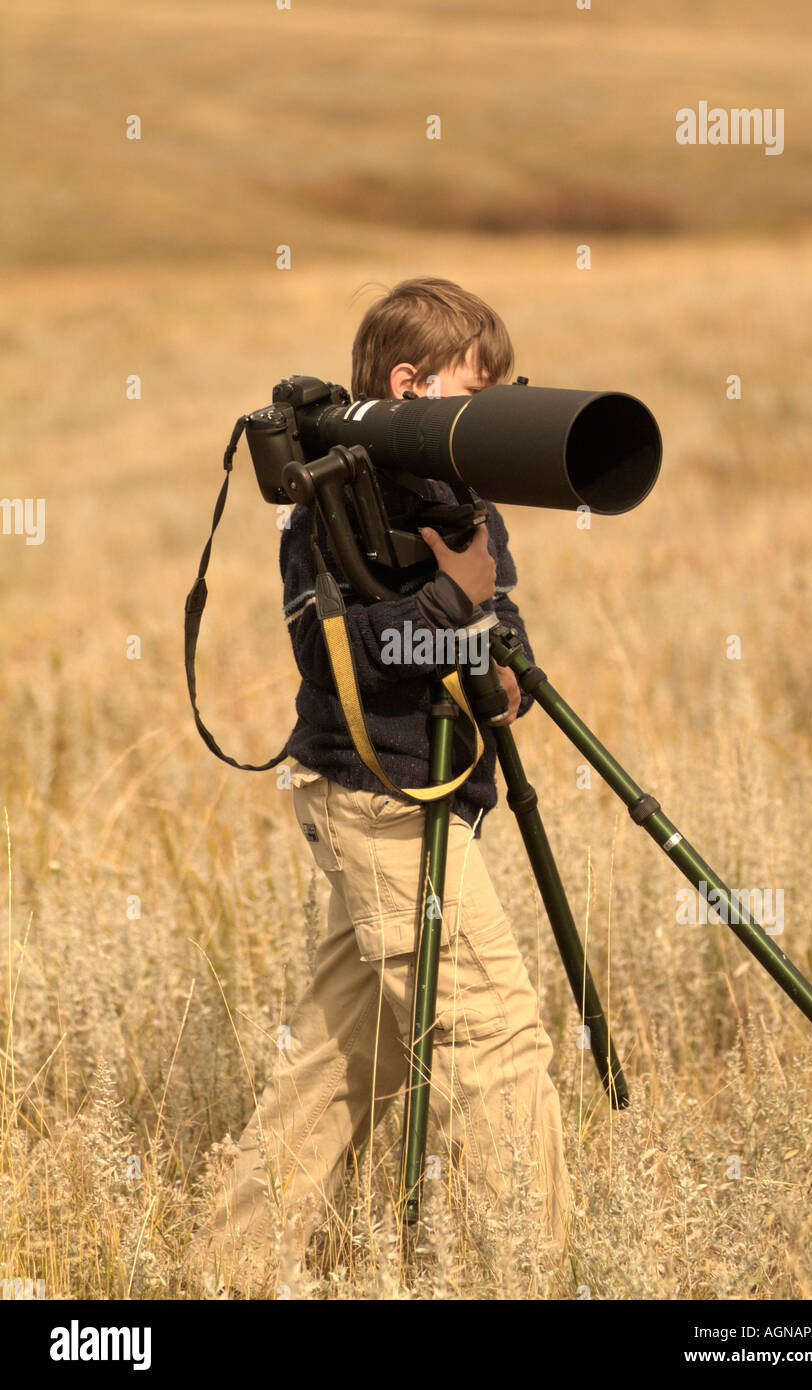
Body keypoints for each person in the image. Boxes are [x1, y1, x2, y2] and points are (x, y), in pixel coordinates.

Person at [198, 277, 572, 1296]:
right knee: (493, 1033)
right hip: (378, 805)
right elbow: (341, 662)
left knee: (338, 1058)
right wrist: (452, 596)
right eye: (471, 394)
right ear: (410, 384)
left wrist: (499, 663)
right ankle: (529, 1275)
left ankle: (229, 1271)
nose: (486, 420)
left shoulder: (459, 496)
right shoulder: (326, 504)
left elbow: (501, 635)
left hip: (431, 792)